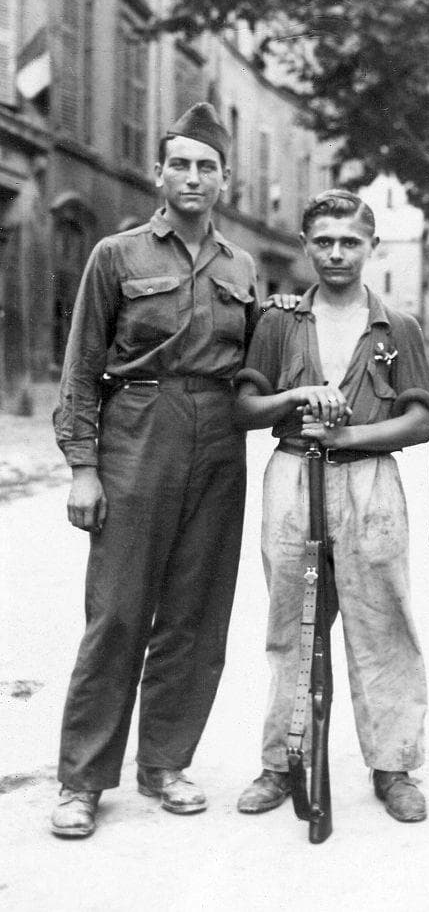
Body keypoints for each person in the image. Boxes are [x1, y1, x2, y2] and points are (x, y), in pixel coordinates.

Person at [51, 103, 260, 838]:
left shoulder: (242, 267)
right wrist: (83, 467)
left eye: (207, 166)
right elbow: (81, 367)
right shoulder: (117, 255)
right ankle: (82, 780)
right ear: (159, 173)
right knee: (117, 612)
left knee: (195, 613)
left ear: (225, 178)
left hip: (219, 438)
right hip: (138, 427)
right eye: (181, 164)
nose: (193, 177)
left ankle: (166, 763)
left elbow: (255, 368)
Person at [234, 190, 429, 823]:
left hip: (370, 480)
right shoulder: (279, 322)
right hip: (294, 474)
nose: (337, 253)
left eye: (350, 241)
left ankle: (393, 766)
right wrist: (297, 396)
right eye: (323, 241)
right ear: (305, 246)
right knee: (292, 622)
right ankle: (281, 761)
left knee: (384, 622)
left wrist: (348, 435)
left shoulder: (397, 327)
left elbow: (422, 419)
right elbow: (244, 408)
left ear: (372, 246)